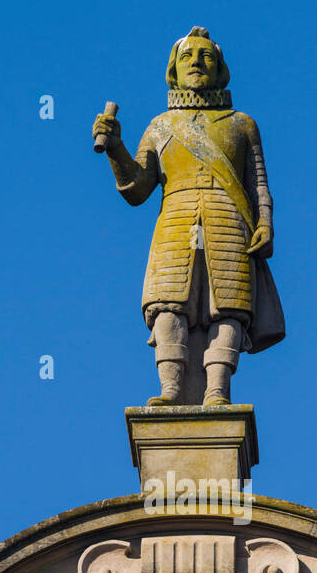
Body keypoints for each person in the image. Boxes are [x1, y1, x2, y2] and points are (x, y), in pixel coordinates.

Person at [93, 27, 285, 406]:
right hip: (176, 222)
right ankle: (172, 389)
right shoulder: (161, 126)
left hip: (229, 221)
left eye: (206, 57)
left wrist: (265, 223)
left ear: (220, 70)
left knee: (227, 308)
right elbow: (137, 189)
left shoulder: (242, 124)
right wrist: (116, 149)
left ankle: (217, 390)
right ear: (174, 70)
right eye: (187, 57)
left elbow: (258, 184)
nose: (196, 63)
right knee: (168, 305)